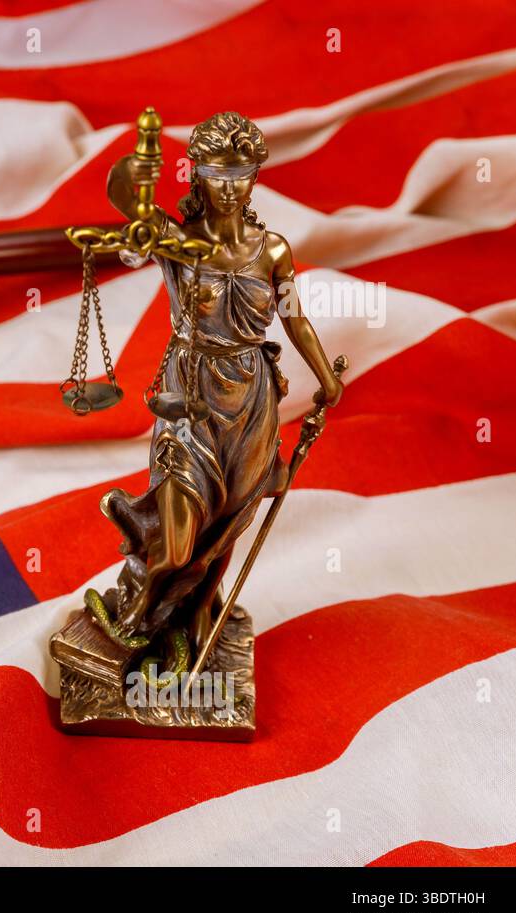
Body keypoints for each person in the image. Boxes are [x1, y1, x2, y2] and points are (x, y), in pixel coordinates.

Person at [99, 110, 343, 659]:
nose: (229, 189)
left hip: (251, 399)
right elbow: (127, 208)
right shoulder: (178, 242)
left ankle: (198, 614)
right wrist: (141, 167)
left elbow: (293, 318)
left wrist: (326, 378)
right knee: (180, 537)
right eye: (216, 174)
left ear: (255, 177)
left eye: (241, 175)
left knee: (228, 523)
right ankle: (144, 606)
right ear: (198, 177)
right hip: (190, 398)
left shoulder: (273, 250)